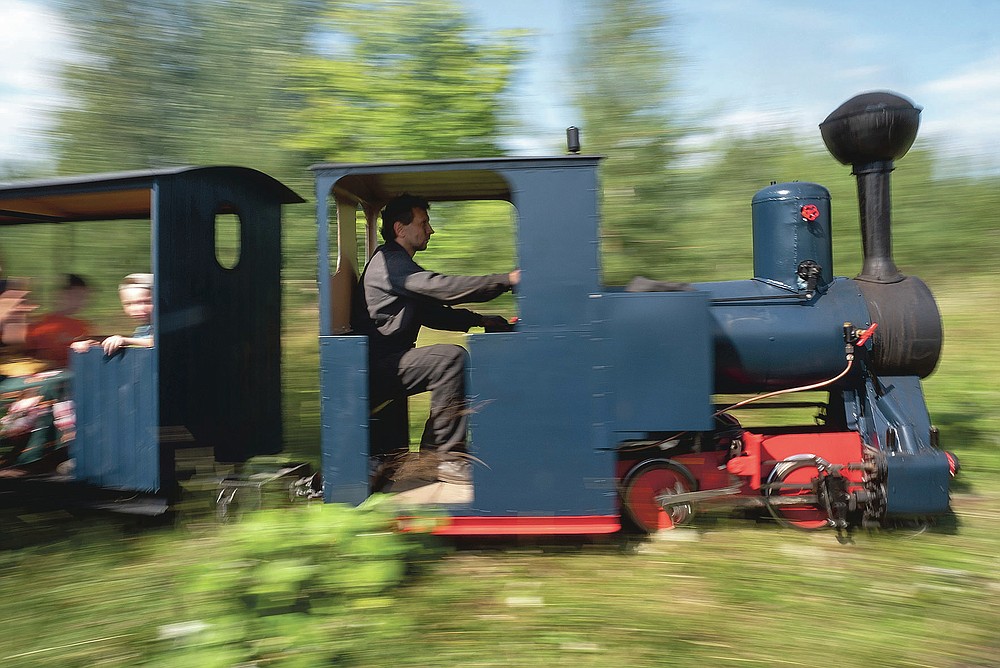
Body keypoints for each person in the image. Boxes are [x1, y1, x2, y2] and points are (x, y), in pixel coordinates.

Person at [352, 193, 519, 485]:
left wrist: (479, 320)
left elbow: (433, 313)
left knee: (448, 358)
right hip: (377, 366)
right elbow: (441, 288)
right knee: (449, 359)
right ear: (400, 229)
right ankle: (446, 459)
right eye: (424, 223)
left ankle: (435, 457)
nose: (430, 230)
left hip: (387, 362)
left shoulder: (396, 264)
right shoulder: (390, 263)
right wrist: (506, 280)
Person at [71, 273, 154, 356]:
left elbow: (160, 343)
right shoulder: (143, 329)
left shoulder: (163, 326)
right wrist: (93, 345)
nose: (137, 309)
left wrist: (125, 340)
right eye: (128, 304)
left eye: (147, 302)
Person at [25, 273, 92, 367]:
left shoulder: (82, 326)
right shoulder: (39, 326)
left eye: (84, 297)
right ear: (61, 295)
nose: (82, 302)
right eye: (78, 296)